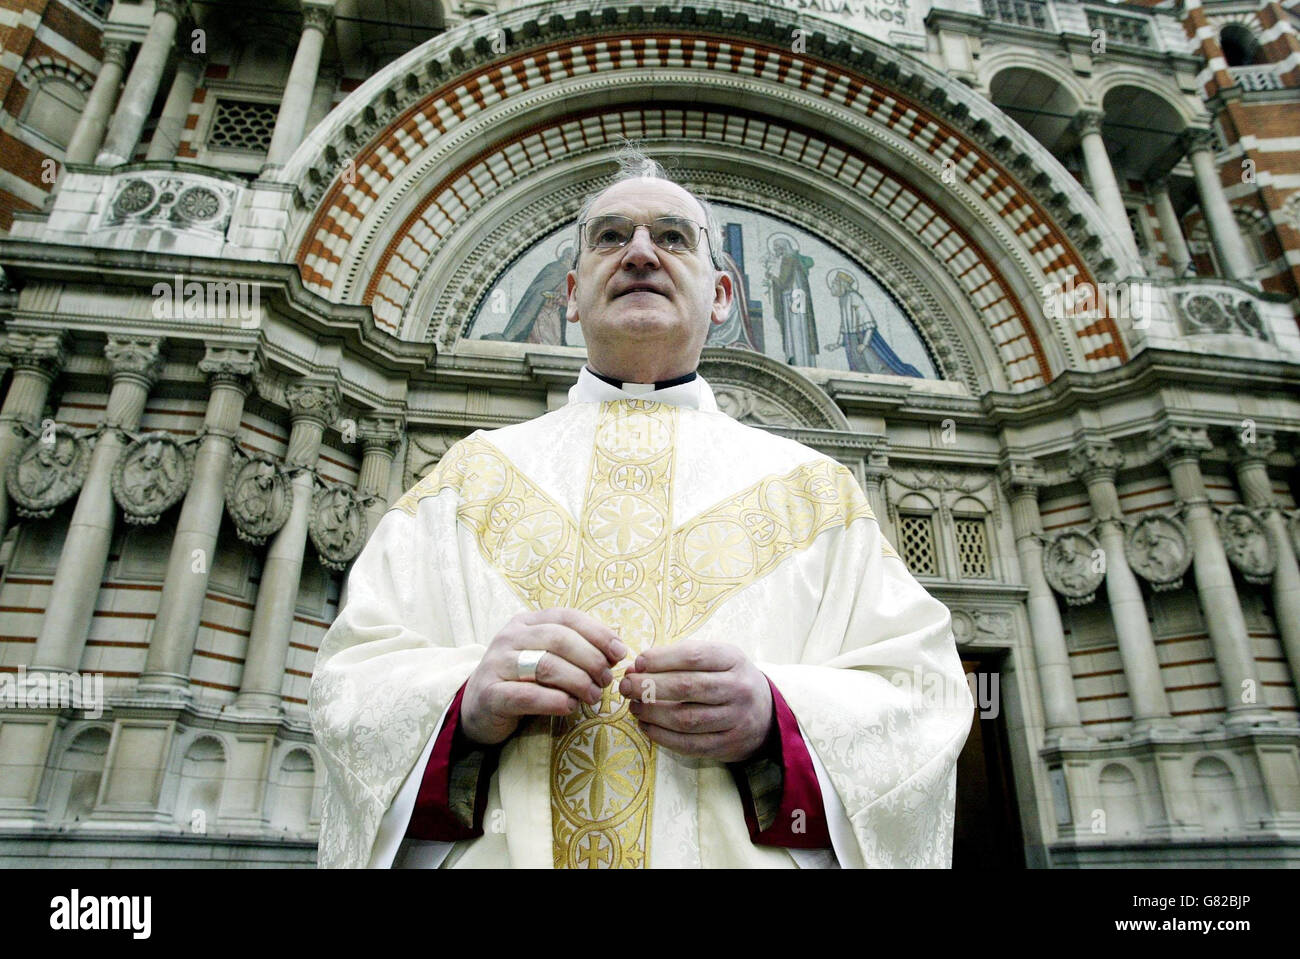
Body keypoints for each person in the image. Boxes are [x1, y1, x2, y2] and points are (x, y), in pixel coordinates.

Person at [310, 147, 973, 869]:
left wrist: (776, 717)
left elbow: (925, 694)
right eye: (610, 236)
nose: (640, 254)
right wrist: (464, 704)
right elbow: (350, 682)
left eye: (673, 236)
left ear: (722, 296)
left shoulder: (818, 492)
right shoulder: (464, 482)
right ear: (570, 292)